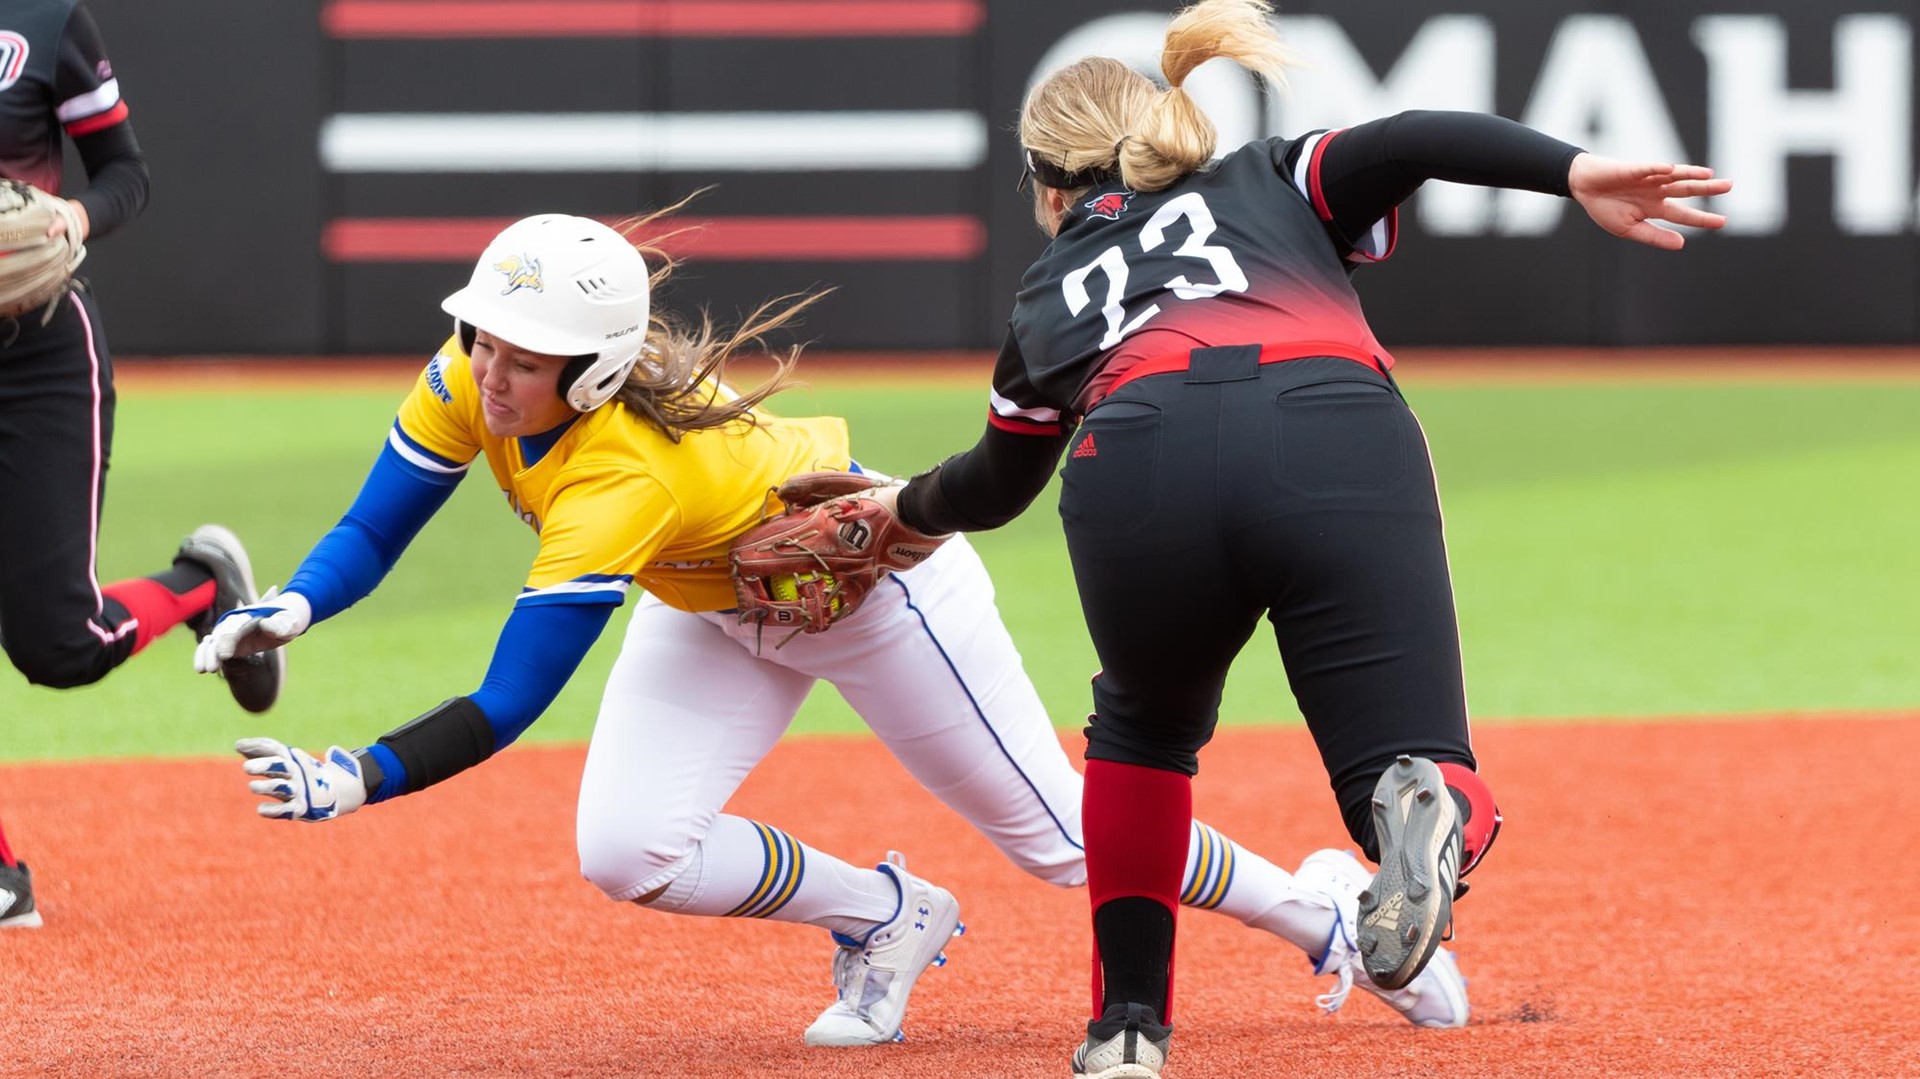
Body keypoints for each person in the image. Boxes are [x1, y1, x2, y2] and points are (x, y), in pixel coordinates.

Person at [202, 208, 1473, 1045]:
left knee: (1065, 840)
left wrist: (353, 775)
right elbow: (375, 530)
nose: (490, 364)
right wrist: (284, 608)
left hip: (871, 590)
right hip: (712, 599)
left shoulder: (619, 476)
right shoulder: (467, 376)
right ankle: (882, 911)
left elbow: (512, 698)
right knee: (631, 848)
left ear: (588, 371)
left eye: (524, 353)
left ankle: (1332, 912)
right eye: (485, 332)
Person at [858, 1, 1733, 1073]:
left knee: (1139, 732)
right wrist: (1575, 170)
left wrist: (895, 511)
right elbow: (1411, 137)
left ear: (1047, 185)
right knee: (1415, 766)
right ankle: (1429, 812)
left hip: (1136, 455)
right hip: (1334, 432)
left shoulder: (1047, 295)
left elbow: (996, 483)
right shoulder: (1270, 175)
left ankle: (1126, 1027)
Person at [0, 0, 280, 931]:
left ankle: (204, 585)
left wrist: (70, 216)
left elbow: (126, 173)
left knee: (58, 646)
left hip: (34, 353)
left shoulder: (44, 22)